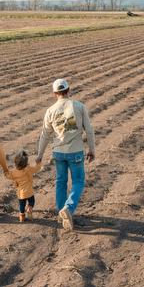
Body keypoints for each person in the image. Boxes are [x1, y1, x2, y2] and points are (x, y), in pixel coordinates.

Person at [35, 78, 96, 231]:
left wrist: (39, 155)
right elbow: (89, 130)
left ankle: (61, 211)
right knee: (78, 182)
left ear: (55, 93)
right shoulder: (79, 106)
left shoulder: (50, 111)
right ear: (69, 90)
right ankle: (68, 208)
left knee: (60, 182)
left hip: (58, 153)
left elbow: (45, 135)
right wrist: (92, 149)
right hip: (75, 151)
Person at [5, 151, 43, 222]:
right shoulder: (29, 169)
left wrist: (5, 170)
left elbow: (7, 175)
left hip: (21, 194)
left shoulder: (13, 172)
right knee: (32, 201)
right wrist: (38, 163)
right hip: (29, 191)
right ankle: (29, 208)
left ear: (16, 163)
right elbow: (36, 169)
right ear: (26, 163)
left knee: (21, 206)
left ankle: (21, 217)